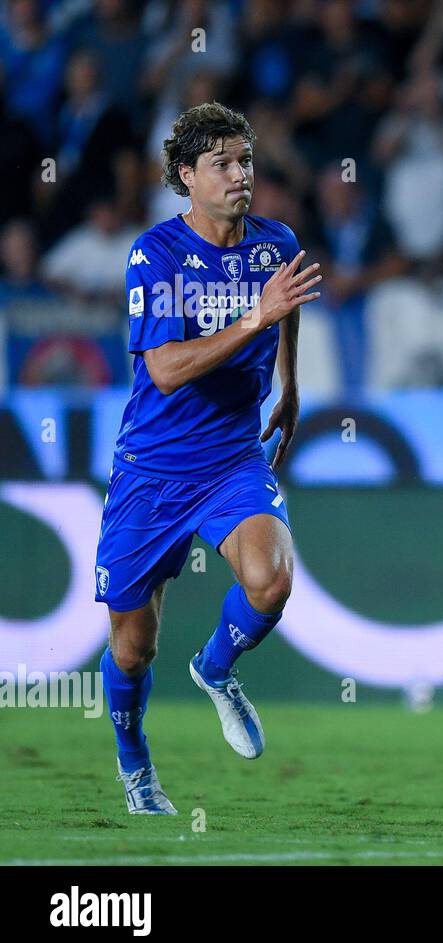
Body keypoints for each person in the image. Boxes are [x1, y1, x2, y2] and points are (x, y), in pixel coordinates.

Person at [94, 102, 322, 814]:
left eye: (245, 160)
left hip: (231, 459)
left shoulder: (274, 242)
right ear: (186, 177)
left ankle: (216, 670)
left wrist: (289, 386)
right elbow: (163, 369)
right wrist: (256, 315)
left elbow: (289, 306)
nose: (239, 175)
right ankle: (137, 771)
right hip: (152, 469)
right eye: (221, 163)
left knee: (272, 581)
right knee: (132, 650)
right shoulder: (154, 254)